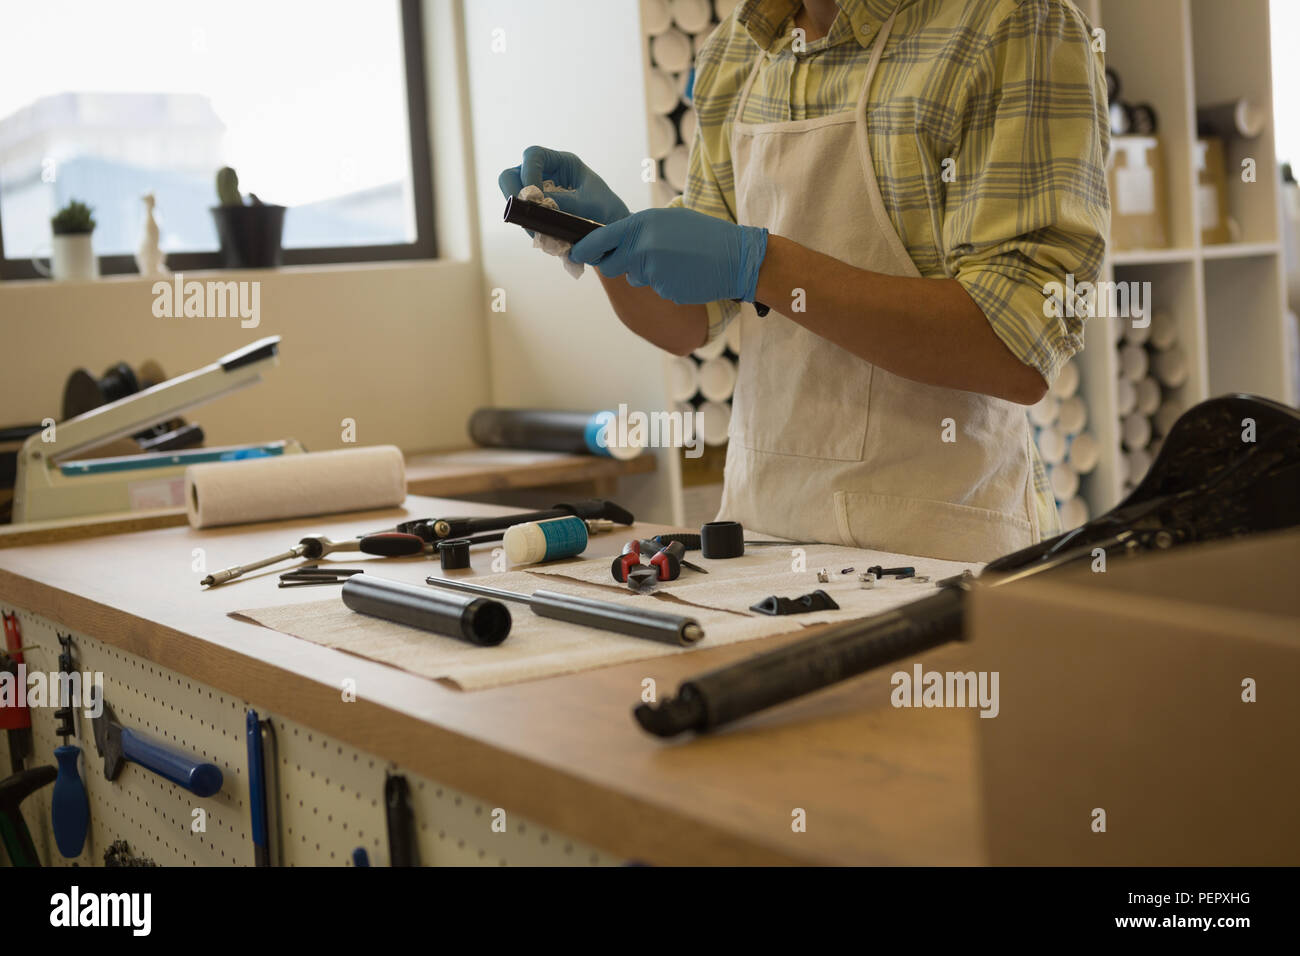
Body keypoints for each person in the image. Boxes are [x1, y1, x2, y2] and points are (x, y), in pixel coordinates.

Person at [499, 0, 1109, 562]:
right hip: (763, 534)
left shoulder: (1012, 24)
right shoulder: (736, 52)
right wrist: (608, 241)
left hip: (940, 547)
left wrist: (761, 266)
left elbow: (1015, 346)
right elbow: (690, 322)